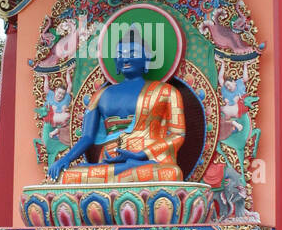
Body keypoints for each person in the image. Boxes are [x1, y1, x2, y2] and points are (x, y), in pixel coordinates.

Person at [47, 34, 184, 185]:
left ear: (147, 58)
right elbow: (87, 137)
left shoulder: (166, 91)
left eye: (133, 53)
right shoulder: (100, 94)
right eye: (120, 55)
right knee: (66, 177)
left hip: (147, 162)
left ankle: (130, 168)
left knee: (171, 174)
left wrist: (141, 155)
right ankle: (119, 173)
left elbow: (177, 135)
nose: (125, 59)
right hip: (108, 164)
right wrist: (65, 160)